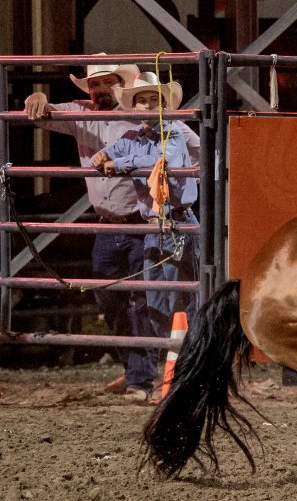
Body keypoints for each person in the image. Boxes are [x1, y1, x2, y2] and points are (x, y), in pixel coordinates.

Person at [21, 59, 146, 396]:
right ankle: (137, 369)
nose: (100, 90)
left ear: (122, 85)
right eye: (95, 85)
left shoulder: (138, 115)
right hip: (107, 224)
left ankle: (141, 375)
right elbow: (46, 111)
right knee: (108, 299)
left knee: (141, 299)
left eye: (106, 83)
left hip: (141, 223)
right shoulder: (81, 113)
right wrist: (38, 95)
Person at [92, 72, 200, 403]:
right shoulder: (131, 137)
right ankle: (176, 375)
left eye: (156, 100)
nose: (149, 105)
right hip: (157, 225)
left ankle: (192, 375)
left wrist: (118, 164)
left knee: (194, 301)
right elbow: (107, 155)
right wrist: (103, 158)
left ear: (165, 105)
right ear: (135, 106)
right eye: (143, 100)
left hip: (180, 222)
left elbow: (165, 162)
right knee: (159, 306)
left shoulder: (175, 132)